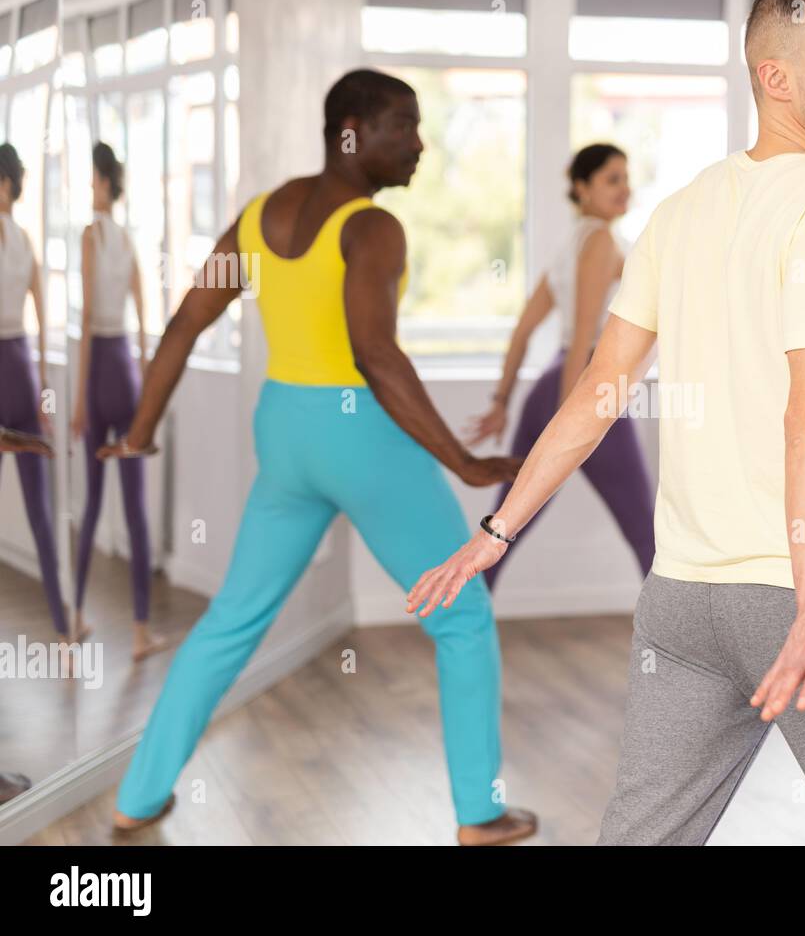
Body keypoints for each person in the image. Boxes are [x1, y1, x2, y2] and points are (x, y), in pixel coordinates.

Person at [407, 0, 805, 846]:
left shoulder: (682, 209)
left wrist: (497, 528)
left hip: (684, 604)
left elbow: (596, 389)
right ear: (775, 79)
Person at [107, 69, 536, 845]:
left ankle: (137, 796)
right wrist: (467, 462)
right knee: (463, 616)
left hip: (285, 430)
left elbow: (180, 326)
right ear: (350, 131)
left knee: (232, 618)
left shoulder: (256, 218)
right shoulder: (371, 227)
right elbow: (374, 353)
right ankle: (480, 811)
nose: (418, 144)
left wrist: (140, 433)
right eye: (401, 126)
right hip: (359, 431)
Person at [465, 143, 654, 591]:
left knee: (503, 526)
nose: (624, 188)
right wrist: (574, 411)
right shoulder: (602, 242)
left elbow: (522, 331)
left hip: (550, 386)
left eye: (626, 178)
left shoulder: (571, 244)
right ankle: (684, 647)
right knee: (644, 530)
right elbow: (589, 334)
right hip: (588, 385)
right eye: (611, 179)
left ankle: (459, 618)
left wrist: (501, 403)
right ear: (580, 188)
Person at [72, 142, 165, 660]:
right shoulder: (128, 240)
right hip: (128, 373)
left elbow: (88, 320)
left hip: (102, 370)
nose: (88, 186)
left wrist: (82, 398)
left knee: (91, 504)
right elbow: (144, 315)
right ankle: (139, 632)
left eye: (91, 178)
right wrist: (148, 379)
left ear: (105, 183)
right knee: (135, 510)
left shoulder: (91, 236)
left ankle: (75, 619)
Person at [0, 143, 71, 641]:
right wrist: (44, 395)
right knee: (41, 514)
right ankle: (64, 626)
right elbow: (43, 325)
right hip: (23, 373)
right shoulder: (26, 240)